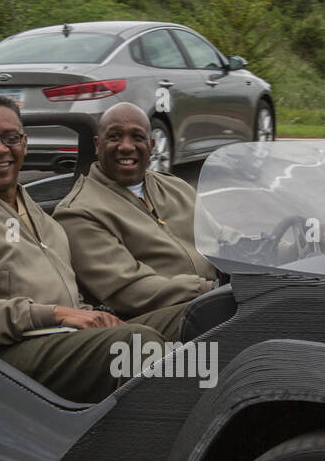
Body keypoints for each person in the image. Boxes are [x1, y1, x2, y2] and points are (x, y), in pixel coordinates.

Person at [0, 96, 174, 403]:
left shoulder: (37, 214)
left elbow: (67, 293)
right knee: (137, 346)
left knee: (193, 316)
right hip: (5, 355)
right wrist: (57, 315)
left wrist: (92, 317)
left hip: (64, 335)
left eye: (10, 138)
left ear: (24, 144)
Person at [54, 102, 219, 337]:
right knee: (223, 313)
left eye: (137, 137)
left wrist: (270, 249)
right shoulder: (79, 212)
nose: (126, 147)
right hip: (144, 320)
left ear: (151, 146)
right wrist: (207, 289)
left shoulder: (176, 187)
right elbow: (129, 288)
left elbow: (220, 237)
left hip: (210, 297)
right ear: (97, 144)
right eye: (114, 137)